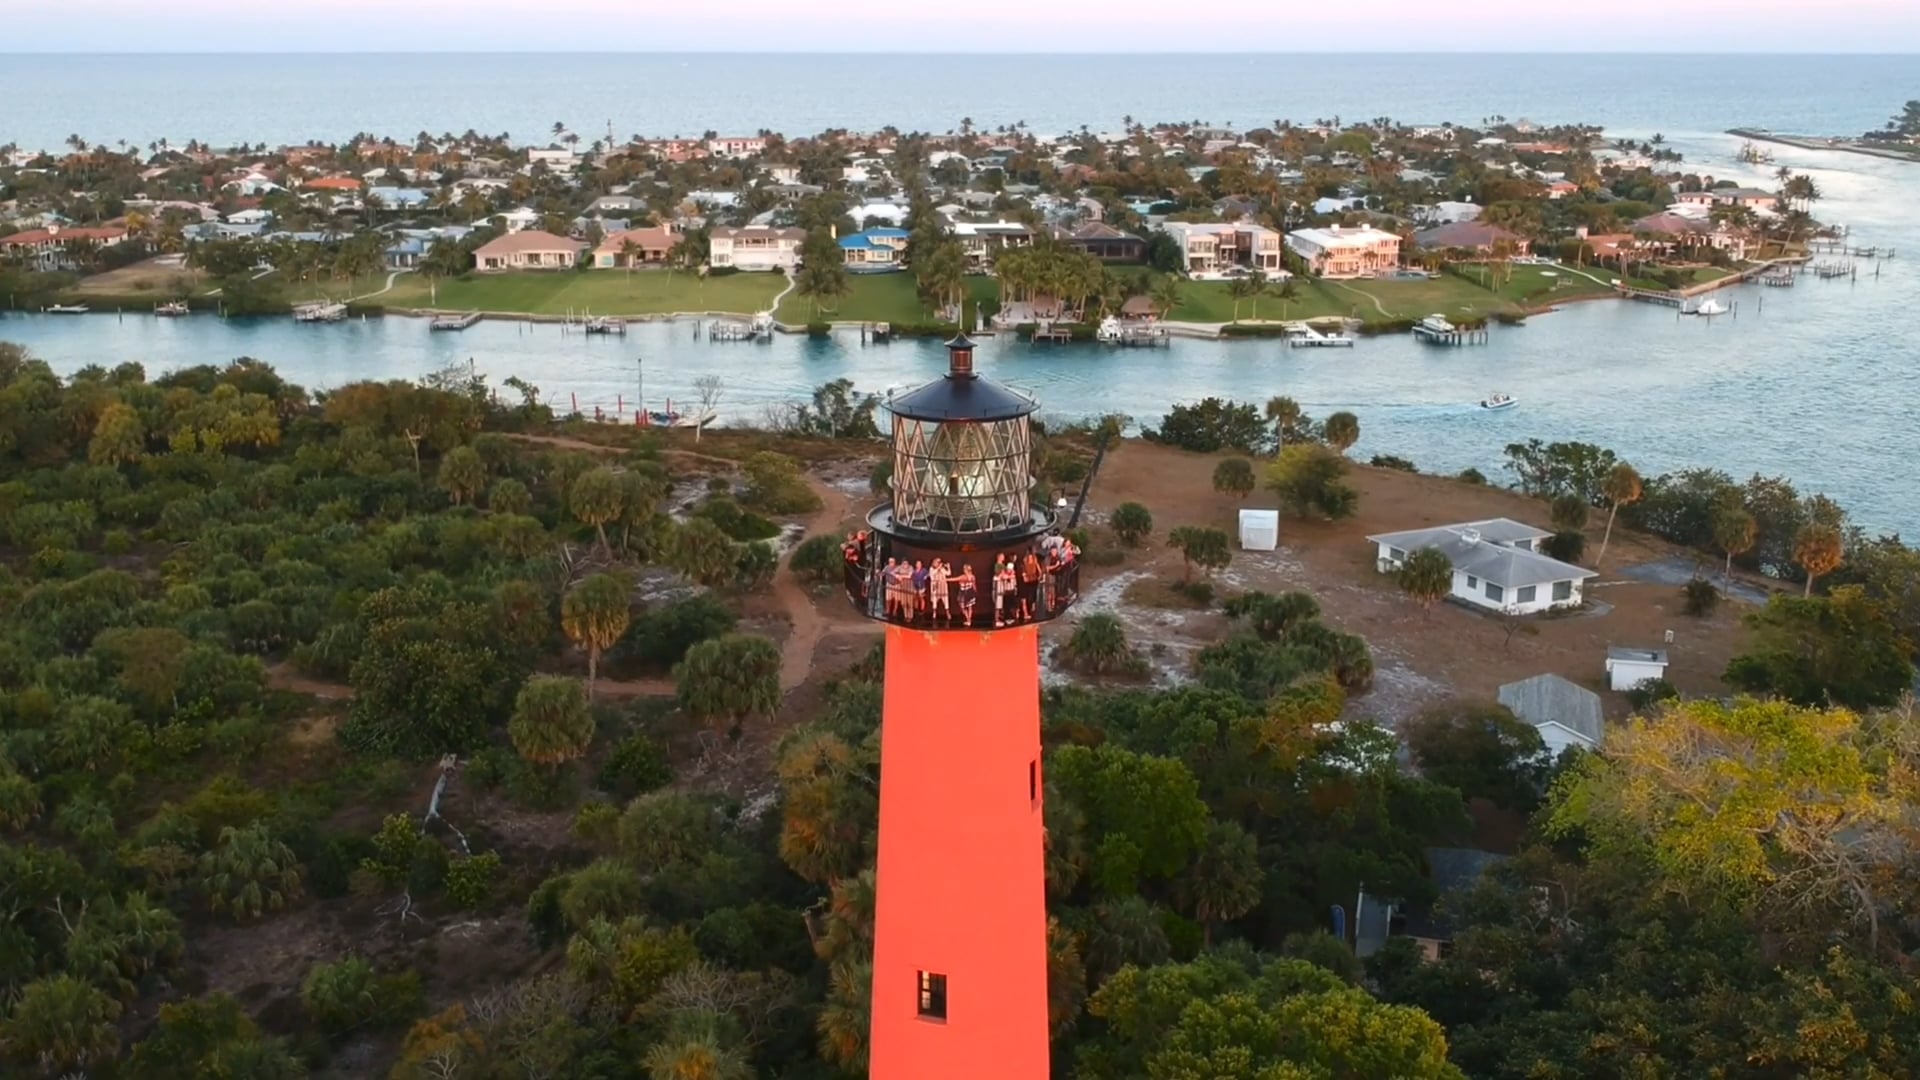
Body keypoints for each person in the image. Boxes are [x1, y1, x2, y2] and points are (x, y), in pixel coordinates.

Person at [994, 557, 1018, 628]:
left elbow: (1012, 578)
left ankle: (1012, 617)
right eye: (1008, 569)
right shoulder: (1004, 575)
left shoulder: (1013, 575)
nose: (1009, 570)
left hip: (1012, 591)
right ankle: (1005, 618)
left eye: (1010, 569)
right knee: (1006, 606)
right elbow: (1003, 577)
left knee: (1012, 606)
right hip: (1006, 592)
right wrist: (1006, 575)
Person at [1019, 550, 1042, 621]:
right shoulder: (1024, 564)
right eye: (1029, 558)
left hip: (1034, 580)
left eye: (1031, 558)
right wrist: (1026, 577)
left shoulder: (1035, 563)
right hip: (1027, 582)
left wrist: (1039, 577)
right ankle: (1026, 611)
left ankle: (1032, 607)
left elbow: (1039, 571)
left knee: (1033, 594)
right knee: (1027, 596)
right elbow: (1024, 575)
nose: (1030, 559)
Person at [928, 559, 951, 625]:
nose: (938, 563)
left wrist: (948, 567)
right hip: (935, 587)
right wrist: (938, 568)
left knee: (946, 600)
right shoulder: (931, 569)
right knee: (935, 601)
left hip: (943, 587)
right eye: (937, 562)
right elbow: (932, 574)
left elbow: (948, 573)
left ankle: (947, 612)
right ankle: (934, 612)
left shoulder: (942, 569)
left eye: (939, 562)